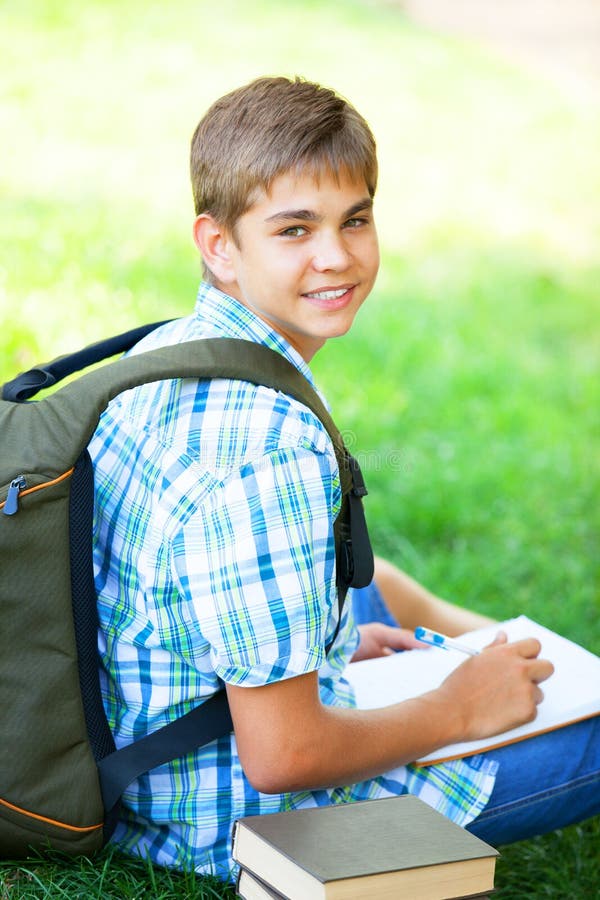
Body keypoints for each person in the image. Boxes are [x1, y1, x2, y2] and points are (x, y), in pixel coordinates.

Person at [88, 76, 600, 879]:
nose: (337, 256)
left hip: (131, 741)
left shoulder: (166, 349)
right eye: (295, 229)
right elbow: (285, 757)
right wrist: (455, 708)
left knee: (373, 584)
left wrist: (333, 650)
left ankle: (525, 662)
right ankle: (518, 684)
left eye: (354, 218)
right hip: (228, 815)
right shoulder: (271, 451)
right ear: (219, 244)